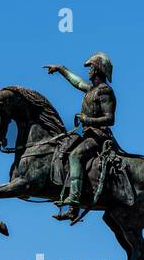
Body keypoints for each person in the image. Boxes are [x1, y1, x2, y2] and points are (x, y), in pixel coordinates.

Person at [43, 52, 117, 224]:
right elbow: (76, 82)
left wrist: (87, 120)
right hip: (87, 134)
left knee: (75, 155)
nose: (88, 71)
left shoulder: (105, 91)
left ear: (98, 70)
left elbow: (110, 118)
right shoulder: (92, 90)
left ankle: (75, 198)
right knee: (64, 149)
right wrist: (61, 69)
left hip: (98, 136)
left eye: (91, 67)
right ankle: (72, 211)